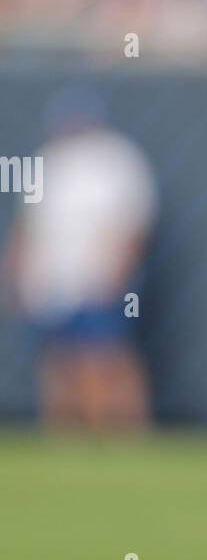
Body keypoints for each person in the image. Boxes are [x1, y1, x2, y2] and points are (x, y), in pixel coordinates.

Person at [7, 87, 157, 429]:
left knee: (106, 357)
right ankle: (67, 434)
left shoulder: (117, 161)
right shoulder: (48, 161)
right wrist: (16, 274)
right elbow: (26, 228)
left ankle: (123, 431)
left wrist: (117, 275)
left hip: (98, 280)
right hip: (51, 283)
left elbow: (133, 225)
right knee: (59, 360)